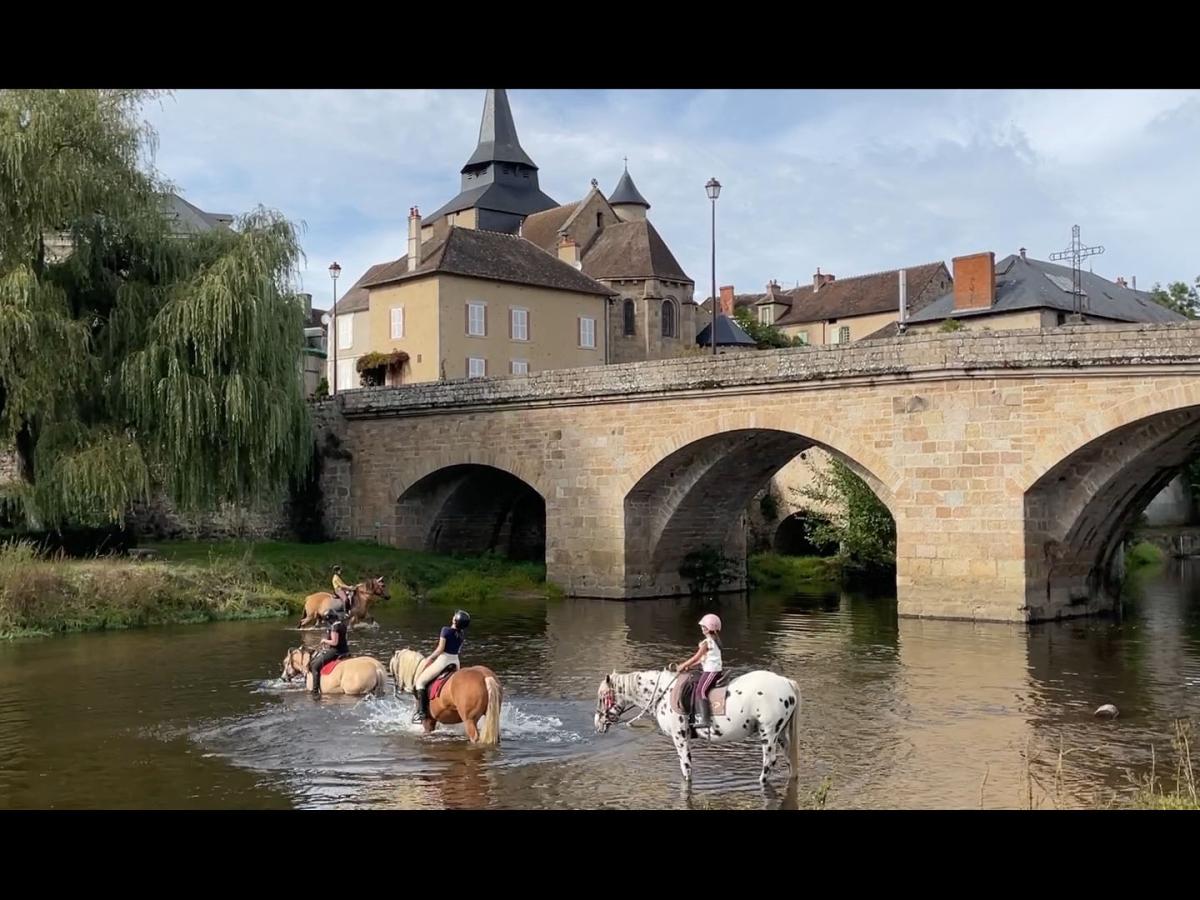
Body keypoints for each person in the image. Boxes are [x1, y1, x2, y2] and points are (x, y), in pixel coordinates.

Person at [412, 610, 470, 722]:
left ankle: (421, 712)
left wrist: (430, 658)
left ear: (454, 620)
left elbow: (440, 649)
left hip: (444, 660)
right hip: (455, 661)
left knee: (420, 682)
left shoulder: (446, 630)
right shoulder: (462, 634)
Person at [674, 613, 723, 733]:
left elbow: (696, 657)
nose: (702, 629)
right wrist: (689, 667)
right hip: (711, 669)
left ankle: (704, 719)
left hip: (712, 671)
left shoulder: (707, 643)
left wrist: (683, 665)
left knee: (700, 691)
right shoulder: (715, 641)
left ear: (708, 628)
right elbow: (702, 660)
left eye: (703, 627)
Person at [309, 609, 350, 696]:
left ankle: (315, 691)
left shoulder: (334, 627)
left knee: (315, 666)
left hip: (336, 651)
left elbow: (334, 642)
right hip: (345, 650)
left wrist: (324, 640)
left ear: (329, 619)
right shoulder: (343, 625)